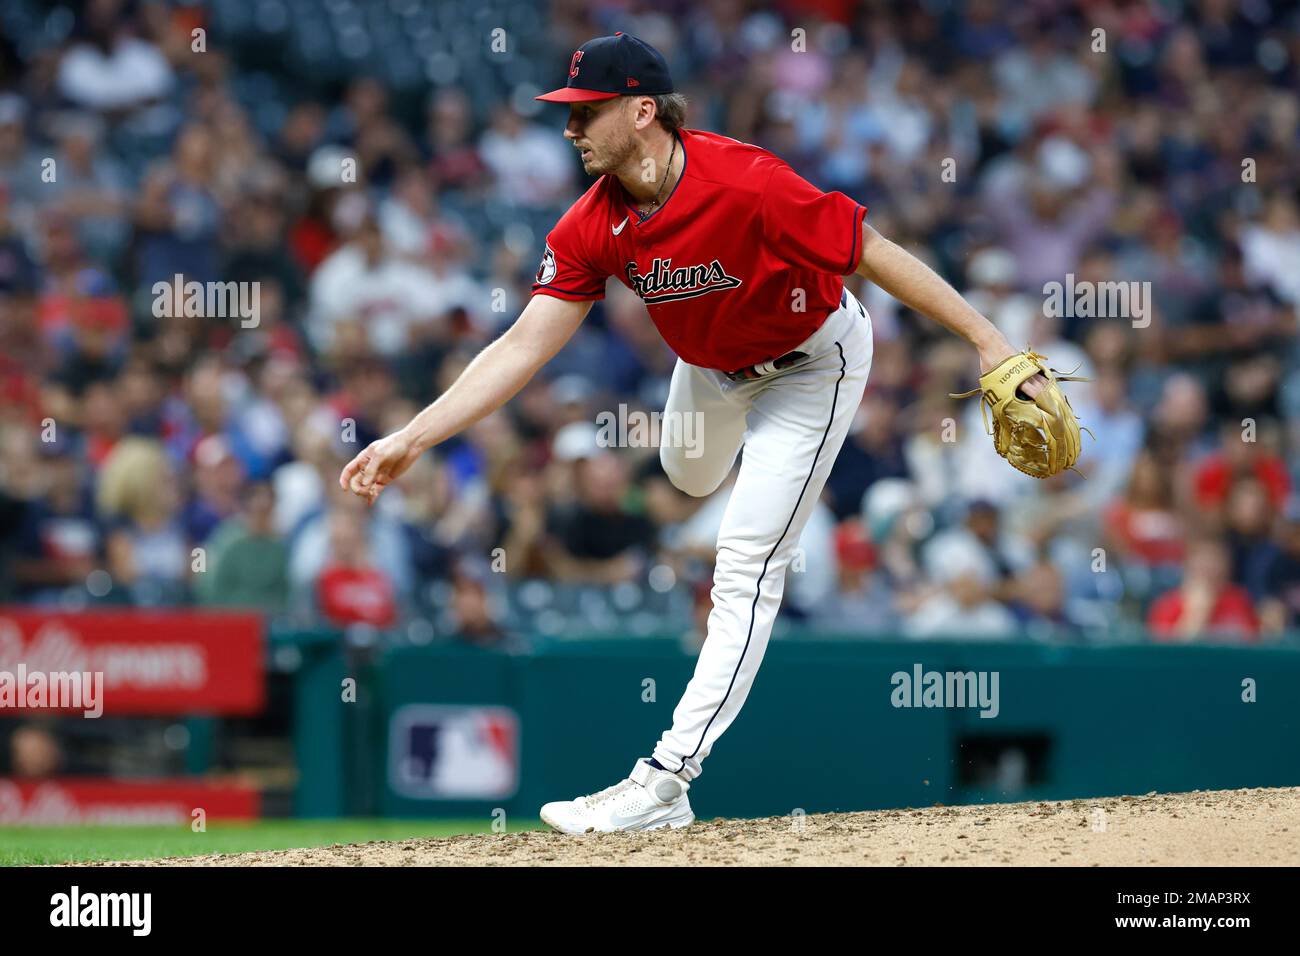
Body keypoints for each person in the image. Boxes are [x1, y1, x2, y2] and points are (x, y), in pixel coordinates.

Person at [339, 34, 1041, 834]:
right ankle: (733, 477)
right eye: (568, 115)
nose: (570, 130)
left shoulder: (747, 181)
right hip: (709, 367)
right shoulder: (591, 223)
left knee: (744, 565)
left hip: (812, 365)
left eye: (586, 112)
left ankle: (666, 781)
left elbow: (873, 254)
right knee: (688, 477)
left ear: (644, 111)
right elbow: (523, 345)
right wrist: (414, 436)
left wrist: (990, 340)